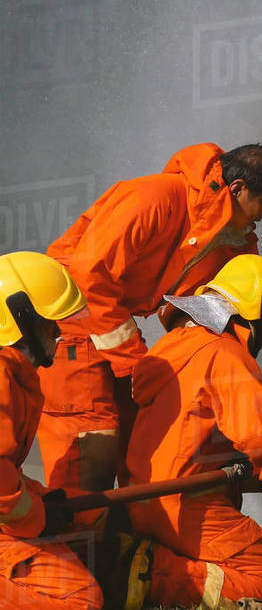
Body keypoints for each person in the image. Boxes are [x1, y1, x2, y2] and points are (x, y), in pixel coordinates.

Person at [40, 143, 262, 493]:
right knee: (91, 454)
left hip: (113, 326)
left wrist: (211, 371)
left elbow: (197, 309)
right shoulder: (155, 197)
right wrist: (134, 362)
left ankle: (127, 538)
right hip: (67, 324)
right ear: (237, 189)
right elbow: (88, 278)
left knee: (142, 442)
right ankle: (74, 542)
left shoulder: (232, 242)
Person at [120, 254, 262, 608]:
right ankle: (152, 573)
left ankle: (143, 557)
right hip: (188, 505)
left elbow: (204, 440)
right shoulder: (224, 355)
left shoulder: (173, 349)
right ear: (254, 316)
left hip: (145, 502)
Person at [0, 251, 100, 608]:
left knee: (86, 522)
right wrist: (40, 517)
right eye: (49, 322)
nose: (58, 332)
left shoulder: (14, 374)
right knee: (79, 600)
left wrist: (43, 500)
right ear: (21, 317)